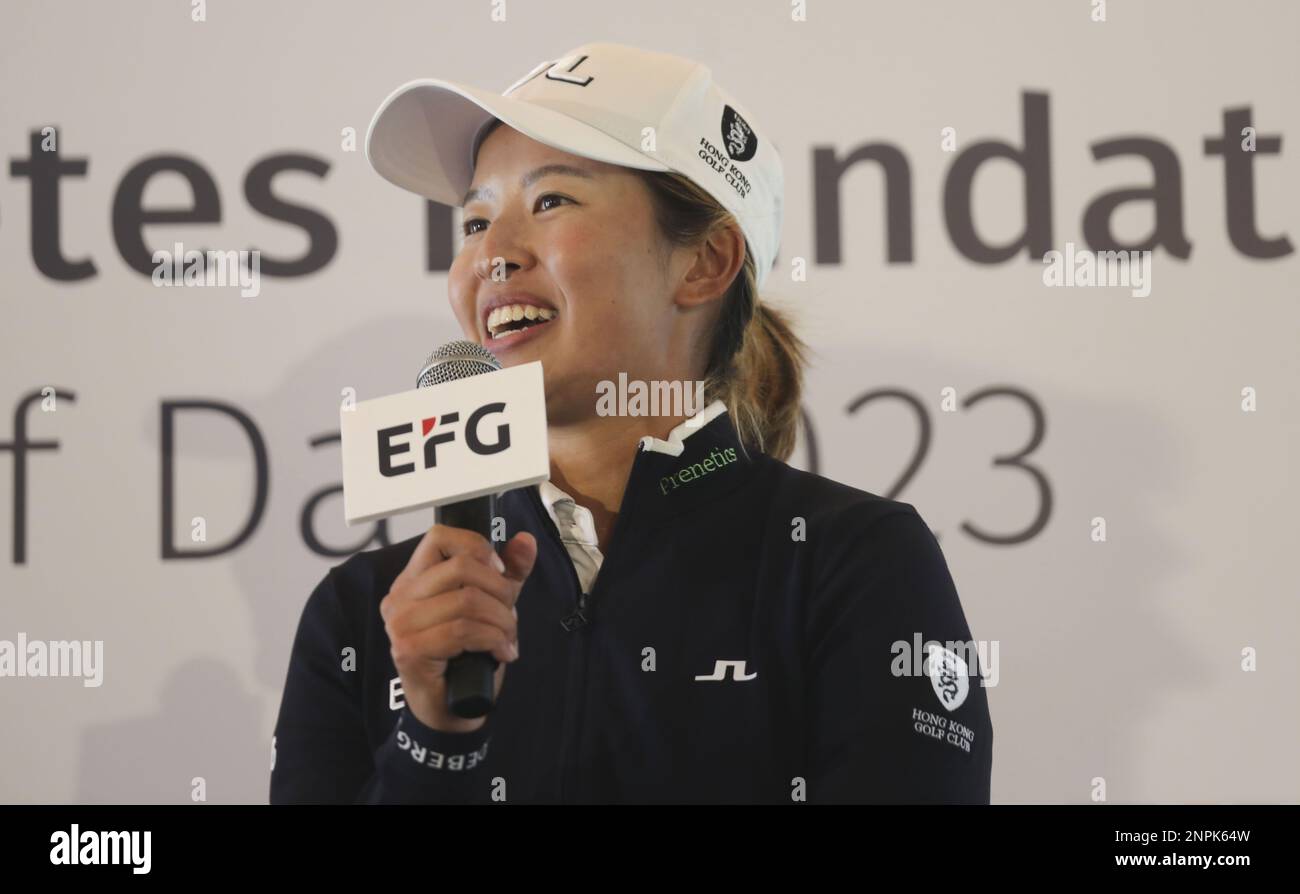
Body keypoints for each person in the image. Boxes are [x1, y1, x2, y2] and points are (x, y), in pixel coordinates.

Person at [270, 41, 993, 804]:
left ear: (705, 262)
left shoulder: (852, 562)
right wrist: (434, 740)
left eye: (551, 202)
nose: (493, 257)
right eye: (475, 220)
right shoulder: (362, 612)